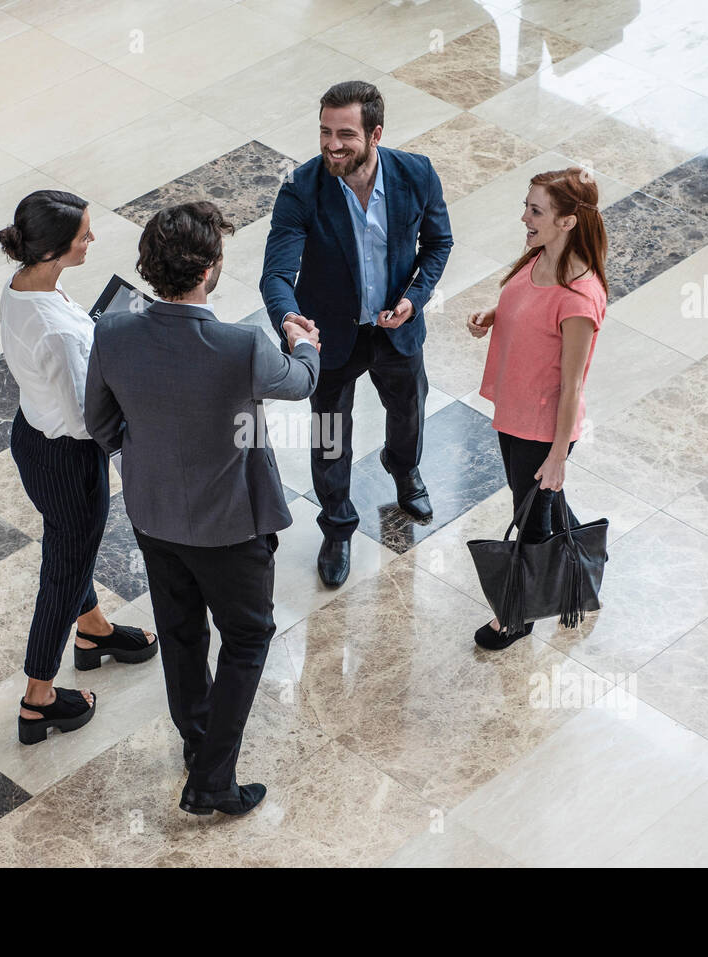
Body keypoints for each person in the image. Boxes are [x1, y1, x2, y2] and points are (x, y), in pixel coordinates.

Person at [85, 201, 321, 816]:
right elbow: (300, 383)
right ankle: (213, 778)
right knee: (247, 636)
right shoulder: (239, 344)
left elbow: (100, 422)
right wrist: (305, 343)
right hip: (232, 526)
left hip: (153, 515)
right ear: (212, 268)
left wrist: (147, 461)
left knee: (182, 634)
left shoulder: (112, 332)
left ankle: (197, 742)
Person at [260, 80, 454, 588]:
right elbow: (277, 274)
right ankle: (338, 525)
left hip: (397, 329)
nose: (332, 144)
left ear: (376, 134)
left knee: (409, 407)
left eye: (345, 133)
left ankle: (404, 468)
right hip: (330, 337)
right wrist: (288, 319)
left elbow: (438, 243)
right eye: (325, 131)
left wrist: (415, 298)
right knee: (329, 438)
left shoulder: (416, 174)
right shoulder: (301, 188)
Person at [0, 189, 157, 746]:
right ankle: (38, 699)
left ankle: (92, 633)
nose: (93, 240)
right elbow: (85, 417)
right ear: (56, 249)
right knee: (63, 569)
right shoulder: (58, 331)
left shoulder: (22, 287)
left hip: (31, 436)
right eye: (85, 235)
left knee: (70, 547)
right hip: (68, 456)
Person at [467, 167, 608, 650]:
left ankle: (519, 615)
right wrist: (496, 314)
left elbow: (572, 386)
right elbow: (527, 305)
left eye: (536, 210)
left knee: (530, 516)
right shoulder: (540, 257)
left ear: (568, 221)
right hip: (516, 407)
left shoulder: (580, 299)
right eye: (527, 206)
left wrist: (557, 456)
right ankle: (583, 575)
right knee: (541, 500)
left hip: (541, 426)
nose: (524, 217)